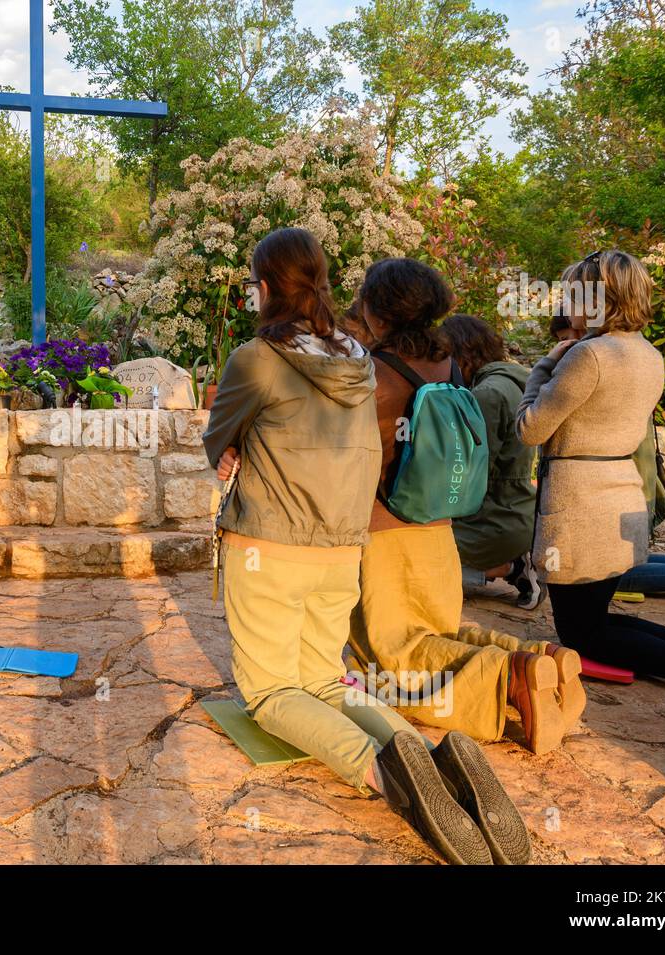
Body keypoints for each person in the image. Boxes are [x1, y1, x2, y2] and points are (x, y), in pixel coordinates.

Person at [204, 229, 528, 865]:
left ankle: (388, 775)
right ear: (324, 283)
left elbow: (219, 440)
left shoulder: (256, 357)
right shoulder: (356, 355)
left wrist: (237, 448)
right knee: (325, 681)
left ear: (266, 287)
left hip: (268, 545)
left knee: (272, 695)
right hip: (343, 549)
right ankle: (434, 758)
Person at [346, 258, 580, 756]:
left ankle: (508, 675)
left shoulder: (372, 373)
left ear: (378, 311)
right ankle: (542, 658)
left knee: (391, 654)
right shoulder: (448, 365)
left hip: (384, 528)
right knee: (435, 634)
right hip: (438, 525)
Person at [516, 250, 665, 697]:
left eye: (573, 292)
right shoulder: (648, 353)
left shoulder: (587, 355)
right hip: (620, 491)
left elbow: (530, 428)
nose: (566, 302)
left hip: (578, 504)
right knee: (595, 618)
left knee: (583, 634)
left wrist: (545, 364)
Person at [439, 314, 544, 609]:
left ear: (461, 354)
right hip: (519, 510)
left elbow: (470, 475)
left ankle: (512, 569)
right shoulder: (517, 380)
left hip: (494, 519)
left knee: (419, 561)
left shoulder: (486, 394)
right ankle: (516, 564)